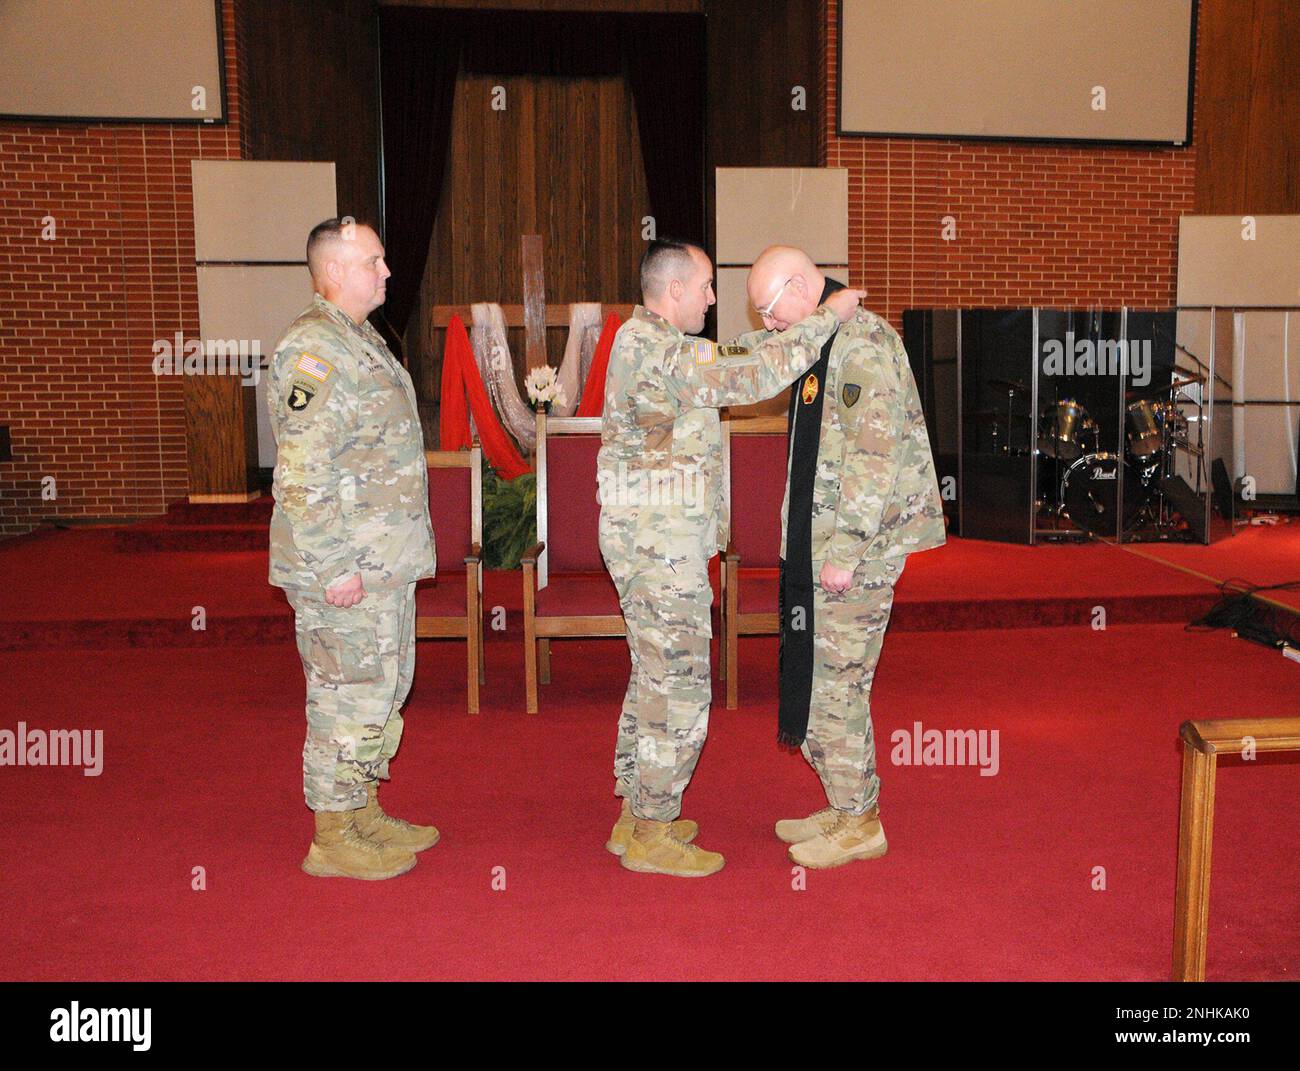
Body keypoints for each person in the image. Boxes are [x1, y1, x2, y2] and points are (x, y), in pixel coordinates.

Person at [598, 237, 867, 877]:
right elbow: (752, 375)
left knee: (652, 677)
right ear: (673, 293)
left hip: (653, 543)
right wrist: (829, 315)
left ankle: (638, 811)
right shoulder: (662, 352)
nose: (715, 297)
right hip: (658, 550)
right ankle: (653, 833)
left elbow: (737, 354)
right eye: (706, 286)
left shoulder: (650, 343)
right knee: (679, 683)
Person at [745, 245, 945, 869]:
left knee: (838, 686)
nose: (769, 325)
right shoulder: (822, 337)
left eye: (769, 311)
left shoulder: (861, 346)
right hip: (823, 543)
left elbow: (872, 461)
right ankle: (842, 802)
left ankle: (861, 821)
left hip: (854, 551)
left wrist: (846, 552)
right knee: (823, 678)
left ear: (801, 286)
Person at [268, 217, 439, 881]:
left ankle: (361, 806)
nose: (387, 272)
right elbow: (301, 475)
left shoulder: (356, 338)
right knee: (344, 698)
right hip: (344, 569)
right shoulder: (313, 350)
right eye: (374, 261)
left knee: (381, 690)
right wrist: (334, 566)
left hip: (380, 563)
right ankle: (333, 836)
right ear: (335, 270)